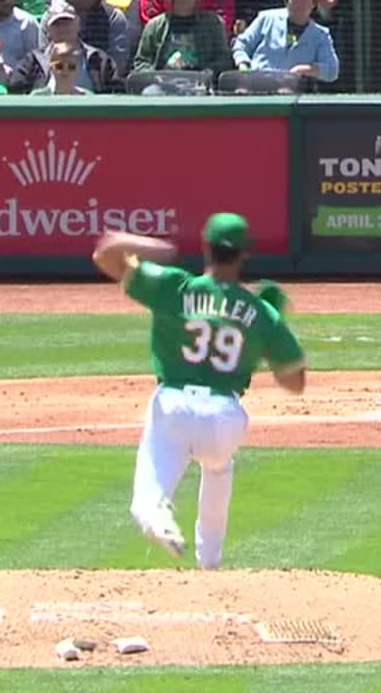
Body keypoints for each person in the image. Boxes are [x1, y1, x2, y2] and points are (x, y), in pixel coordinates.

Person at [91, 212, 306, 570]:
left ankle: (156, 513)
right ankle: (210, 562)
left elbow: (106, 254)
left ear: (207, 247)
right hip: (224, 418)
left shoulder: (174, 287)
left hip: (173, 408)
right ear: (244, 254)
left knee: (147, 497)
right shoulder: (260, 311)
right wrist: (273, 319)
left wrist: (157, 247)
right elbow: (294, 381)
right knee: (219, 468)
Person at [133, 0, 234, 75]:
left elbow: (224, 59)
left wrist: (207, 73)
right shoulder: (155, 26)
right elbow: (141, 62)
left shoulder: (213, 23)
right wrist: (156, 76)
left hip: (201, 86)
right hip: (161, 87)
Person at [231, 0, 339, 83]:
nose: (299, 4)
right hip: (257, 85)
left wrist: (308, 69)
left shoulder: (320, 35)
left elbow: (332, 70)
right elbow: (241, 45)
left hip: (293, 91)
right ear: (286, 0)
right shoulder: (266, 19)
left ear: (313, 4)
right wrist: (243, 66)